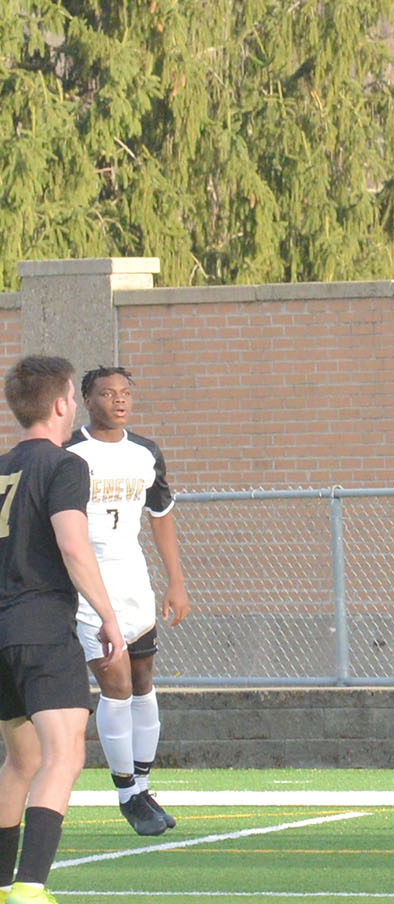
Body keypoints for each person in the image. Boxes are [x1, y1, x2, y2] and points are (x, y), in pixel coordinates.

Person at [0, 356, 127, 904]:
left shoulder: (3, 467)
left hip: (3, 631)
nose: (74, 405)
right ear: (59, 405)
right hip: (42, 627)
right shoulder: (65, 465)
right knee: (64, 754)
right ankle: (29, 888)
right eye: (73, 397)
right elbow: (73, 544)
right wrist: (108, 614)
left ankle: (3, 886)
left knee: (21, 761)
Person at [63, 367, 190, 836]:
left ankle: (144, 786)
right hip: (88, 586)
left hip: (134, 583)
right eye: (107, 393)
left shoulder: (145, 453)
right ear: (87, 400)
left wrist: (176, 582)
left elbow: (161, 515)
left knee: (143, 681)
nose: (119, 401)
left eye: (125, 393)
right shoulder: (69, 454)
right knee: (114, 683)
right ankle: (126, 795)